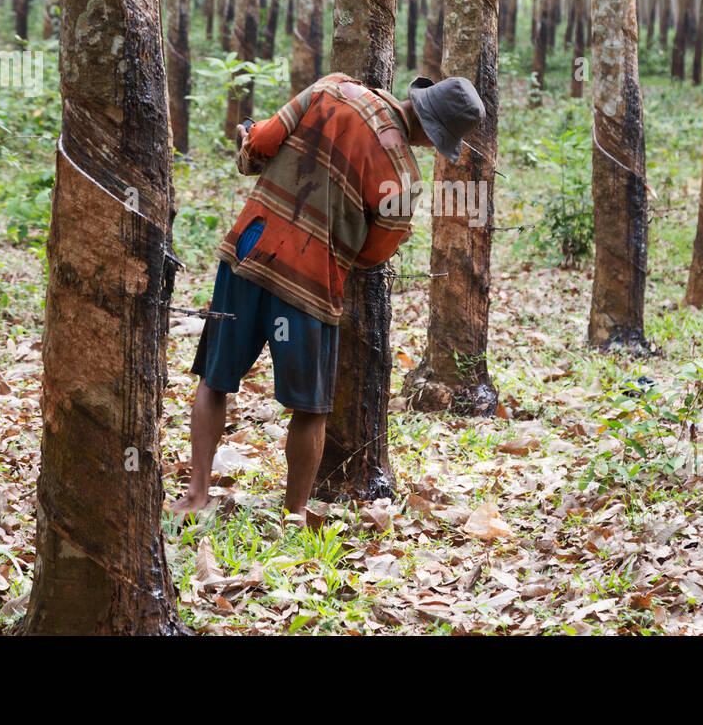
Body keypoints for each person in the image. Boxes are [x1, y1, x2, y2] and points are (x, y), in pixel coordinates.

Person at [172, 72, 485, 517]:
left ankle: (196, 494)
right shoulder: (405, 181)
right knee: (311, 408)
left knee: (215, 378)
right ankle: (294, 514)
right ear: (432, 134)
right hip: (310, 285)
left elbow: (261, 142)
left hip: (248, 253)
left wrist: (250, 141)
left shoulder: (332, 89)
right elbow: (373, 255)